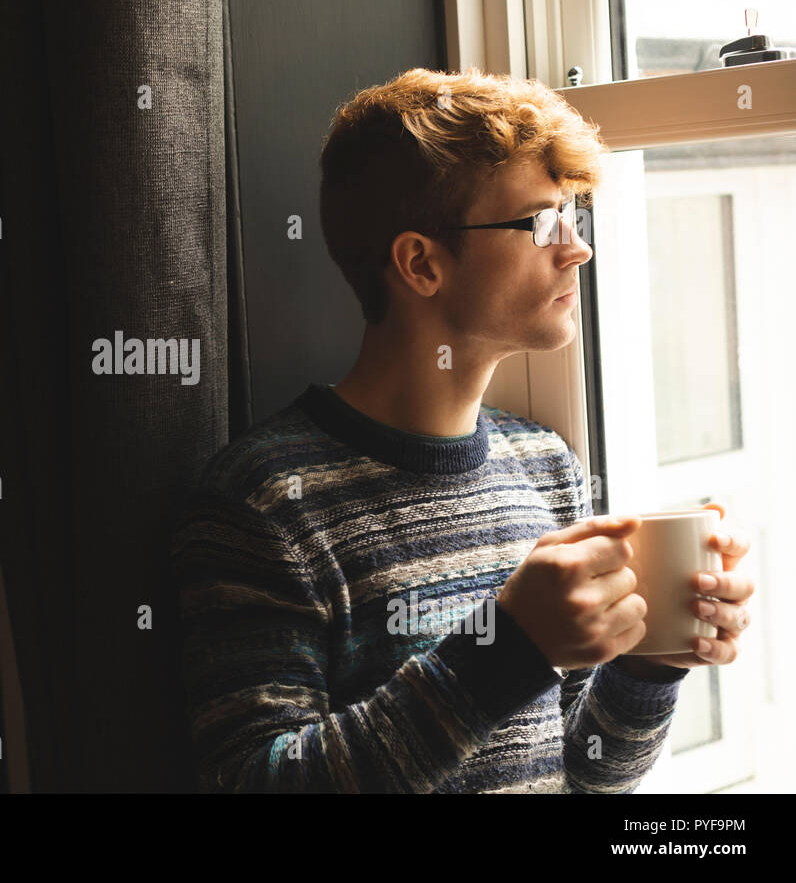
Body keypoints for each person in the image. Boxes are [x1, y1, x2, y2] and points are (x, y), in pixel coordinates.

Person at [170, 67, 755, 792]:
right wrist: (508, 647)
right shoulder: (265, 505)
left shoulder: (545, 467)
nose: (577, 248)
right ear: (420, 263)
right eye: (541, 221)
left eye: (573, 217)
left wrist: (648, 664)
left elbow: (584, 779)